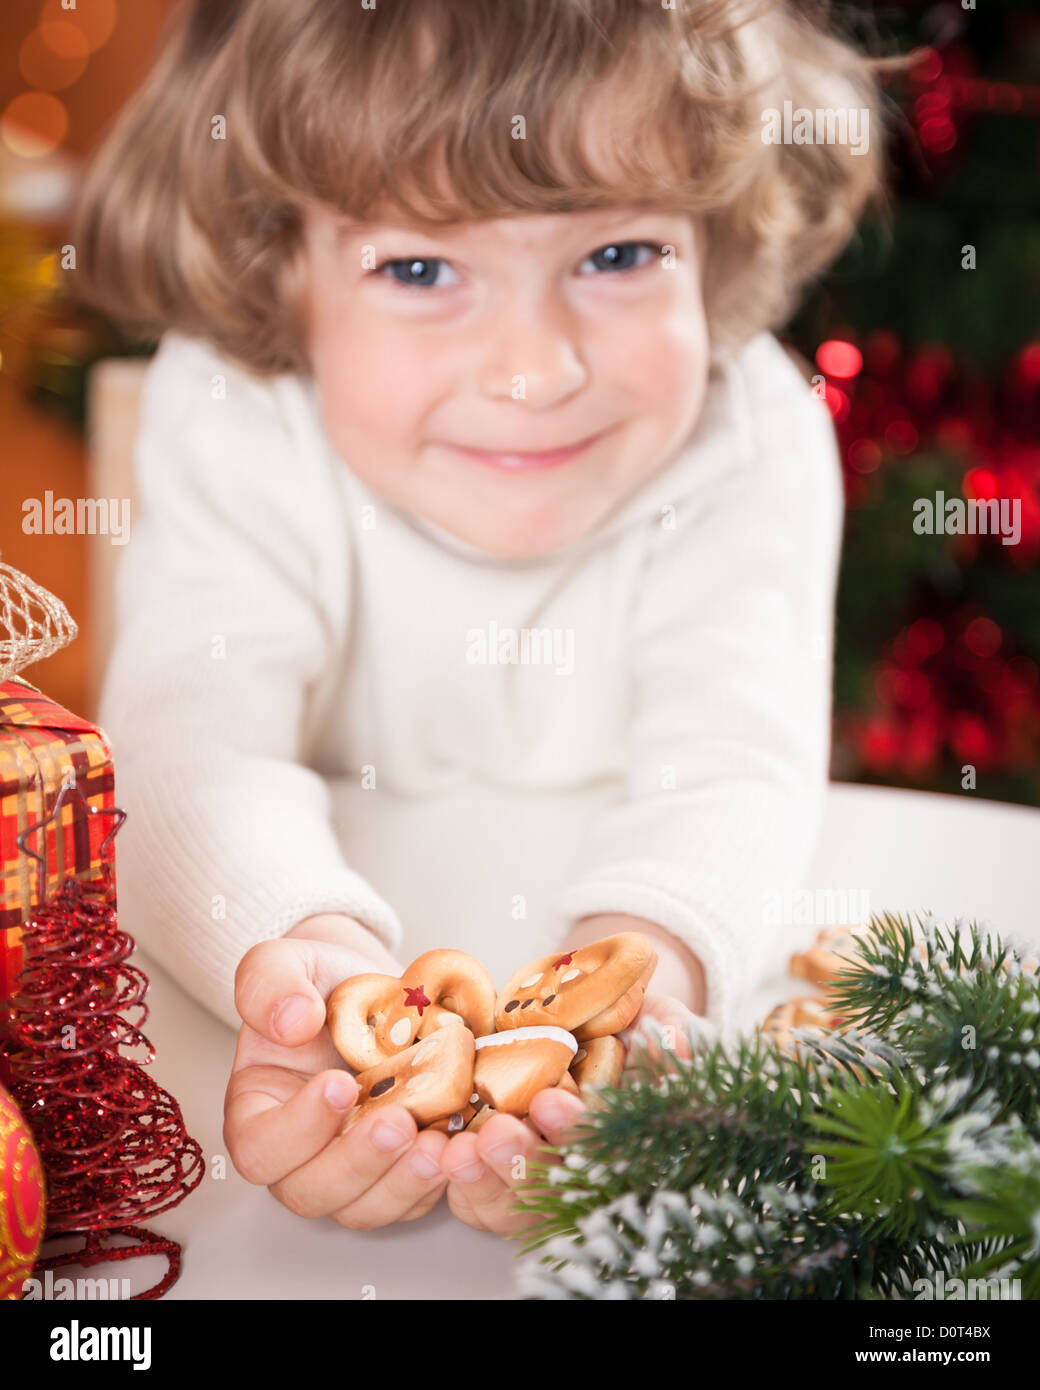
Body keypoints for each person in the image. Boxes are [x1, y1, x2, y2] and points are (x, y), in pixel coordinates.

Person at [73, 0, 885, 1237]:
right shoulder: (237, 409)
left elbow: (732, 761)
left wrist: (642, 988)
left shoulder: (746, 433)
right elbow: (191, 736)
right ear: (276, 264)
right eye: (418, 268)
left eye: (617, 256)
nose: (533, 370)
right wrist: (297, 955)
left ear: (715, 238)